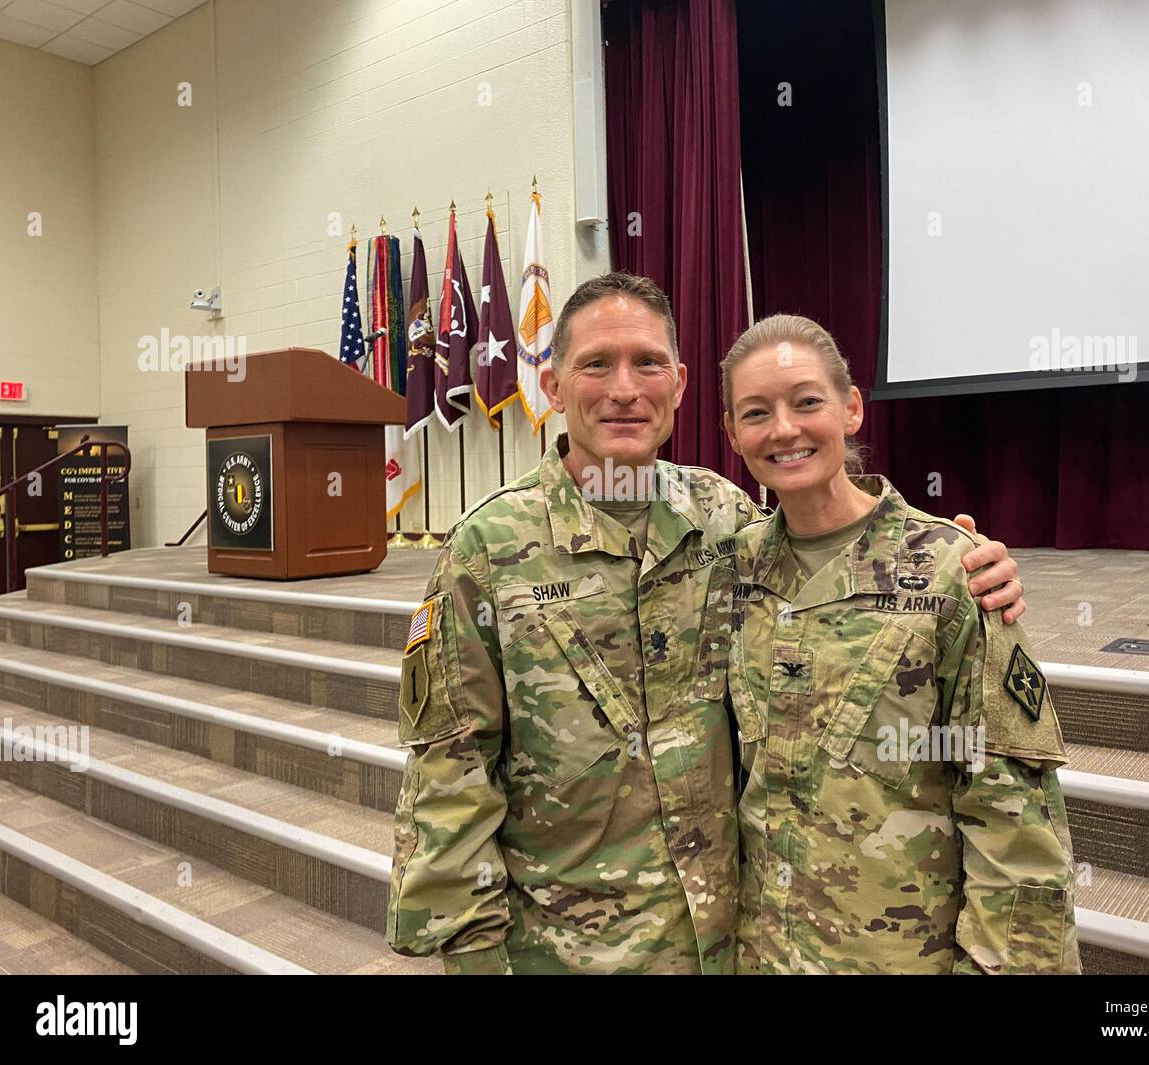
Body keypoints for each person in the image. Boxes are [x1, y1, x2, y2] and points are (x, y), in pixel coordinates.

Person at [386, 273, 1026, 974]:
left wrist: (957, 562)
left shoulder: (722, 517)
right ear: (554, 385)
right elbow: (451, 776)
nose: (625, 388)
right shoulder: (486, 550)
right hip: (571, 953)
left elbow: (833, 557)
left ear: (680, 384)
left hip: (727, 944)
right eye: (596, 364)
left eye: (648, 363)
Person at [720, 313, 1081, 975]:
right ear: (733, 433)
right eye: (756, 412)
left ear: (851, 407)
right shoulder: (729, 571)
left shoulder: (953, 571)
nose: (785, 429)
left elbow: (1015, 822)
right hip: (763, 953)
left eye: (807, 402)